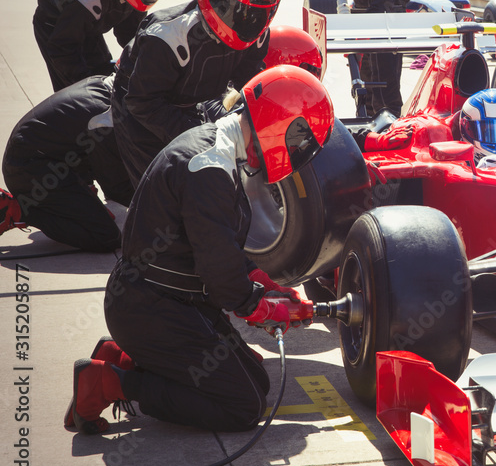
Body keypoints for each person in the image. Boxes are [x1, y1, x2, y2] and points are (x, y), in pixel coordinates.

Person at [65, 66, 333, 434]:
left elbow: (216, 244)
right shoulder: (210, 167)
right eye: (299, 139)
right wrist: (261, 306)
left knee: (257, 380)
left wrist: (265, 284)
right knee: (243, 406)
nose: (297, 151)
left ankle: (123, 358)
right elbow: (221, 277)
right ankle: (109, 383)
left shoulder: (219, 145)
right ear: (279, 124)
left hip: (164, 301)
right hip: (152, 307)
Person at [111, 0, 279, 186]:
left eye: (260, 12)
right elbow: (142, 102)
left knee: (205, 175)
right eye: (240, 10)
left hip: (189, 100)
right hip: (138, 107)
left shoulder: (257, 31)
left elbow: (250, 77)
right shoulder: (168, 36)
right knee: (160, 187)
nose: (250, 20)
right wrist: (196, 133)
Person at [0, 75, 133, 252]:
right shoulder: (104, 119)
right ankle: (19, 209)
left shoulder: (110, 85)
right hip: (28, 169)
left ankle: (82, 196)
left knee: (101, 215)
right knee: (105, 236)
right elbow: (118, 187)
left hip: (51, 157)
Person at [33, 0, 171, 92]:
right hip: (54, 23)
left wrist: (149, 62)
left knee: (103, 69)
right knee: (72, 85)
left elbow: (128, 34)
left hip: (88, 23)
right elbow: (62, 47)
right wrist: (84, 86)